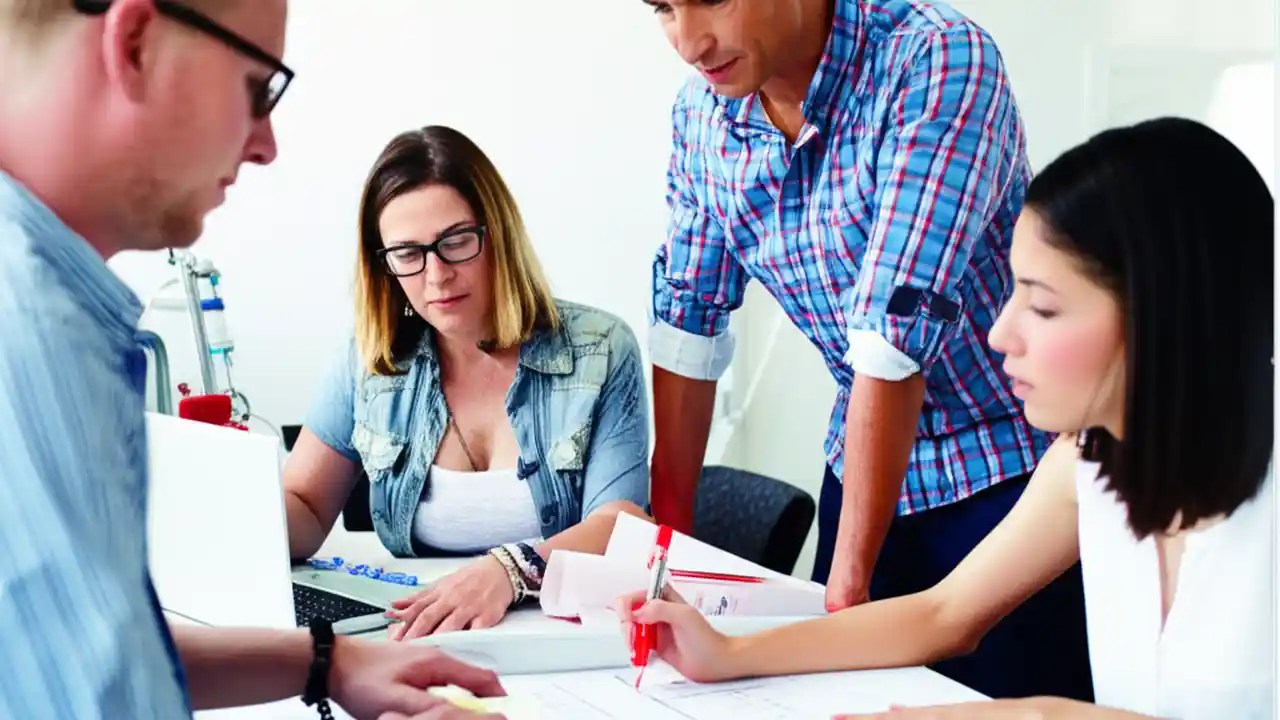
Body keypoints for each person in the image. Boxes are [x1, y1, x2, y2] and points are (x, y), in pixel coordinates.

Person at [619, 117, 1275, 719]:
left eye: (1042, 309)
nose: (999, 334)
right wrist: (728, 654)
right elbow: (944, 612)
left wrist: (1042, 714)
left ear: (1163, 317)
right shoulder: (1089, 460)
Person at [0, 2, 504, 718]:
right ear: (136, 43)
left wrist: (328, 661)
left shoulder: (49, 304)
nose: (265, 144)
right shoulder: (33, 331)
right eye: (257, 88)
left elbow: (104, 655)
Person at [641, 0, 1089, 699]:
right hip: (861, 462)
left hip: (1007, 476)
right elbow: (687, 321)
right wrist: (664, 562)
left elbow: (893, 337)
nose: (689, 42)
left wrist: (845, 594)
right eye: (664, 8)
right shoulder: (703, 115)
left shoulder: (934, 60)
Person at [283, 124, 651, 641]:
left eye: (455, 242)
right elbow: (304, 503)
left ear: (497, 233)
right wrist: (232, 512)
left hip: (555, 636)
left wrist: (508, 571)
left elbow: (622, 527)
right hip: (417, 633)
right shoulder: (370, 358)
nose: (436, 276)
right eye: (407, 255)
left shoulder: (601, 348)